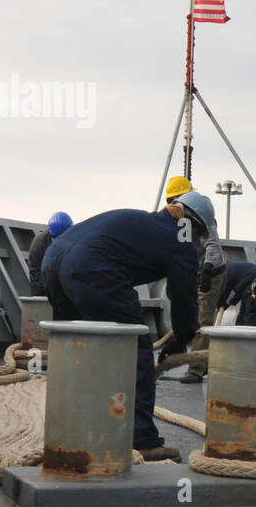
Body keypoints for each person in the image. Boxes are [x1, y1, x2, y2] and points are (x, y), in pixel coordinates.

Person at [41, 191, 210, 461]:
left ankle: (71, 428)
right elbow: (184, 297)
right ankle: (143, 440)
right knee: (136, 348)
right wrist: (181, 338)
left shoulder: (143, 222)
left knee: (77, 349)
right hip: (88, 267)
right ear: (193, 224)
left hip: (53, 260)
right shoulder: (180, 240)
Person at [162, 176, 228, 385]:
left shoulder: (201, 215)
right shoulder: (177, 219)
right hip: (190, 273)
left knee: (202, 321)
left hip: (211, 273)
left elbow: (213, 245)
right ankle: (174, 357)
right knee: (182, 315)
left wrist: (207, 271)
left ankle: (196, 369)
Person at [218, 260, 256, 327]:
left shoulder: (227, 270)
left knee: (251, 315)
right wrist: (226, 304)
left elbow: (225, 291)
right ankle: (239, 336)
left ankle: (249, 336)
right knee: (243, 316)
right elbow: (238, 294)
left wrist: (219, 305)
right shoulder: (234, 267)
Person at [27, 212, 73, 297]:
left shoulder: (74, 241)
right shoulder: (39, 243)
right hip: (44, 282)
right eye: (56, 238)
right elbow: (35, 272)